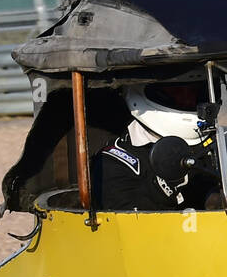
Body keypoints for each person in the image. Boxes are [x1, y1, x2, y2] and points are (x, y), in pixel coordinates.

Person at [90, 75, 218, 212]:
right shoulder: (113, 164)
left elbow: (210, 193)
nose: (187, 99)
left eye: (194, 93)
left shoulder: (209, 142)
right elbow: (135, 226)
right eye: (177, 93)